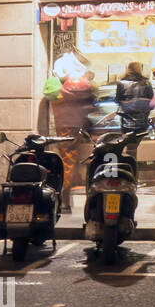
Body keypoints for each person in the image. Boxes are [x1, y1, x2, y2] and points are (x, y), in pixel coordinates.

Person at [50, 69, 96, 213]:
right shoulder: (85, 93)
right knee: (72, 162)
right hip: (78, 128)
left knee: (67, 161)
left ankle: (65, 198)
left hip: (63, 127)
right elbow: (89, 108)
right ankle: (65, 199)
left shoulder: (60, 94)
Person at [116, 62, 155, 132]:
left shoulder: (121, 82)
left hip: (126, 122)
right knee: (140, 139)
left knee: (128, 140)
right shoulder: (146, 82)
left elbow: (118, 100)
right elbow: (151, 100)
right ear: (140, 69)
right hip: (142, 120)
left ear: (128, 69)